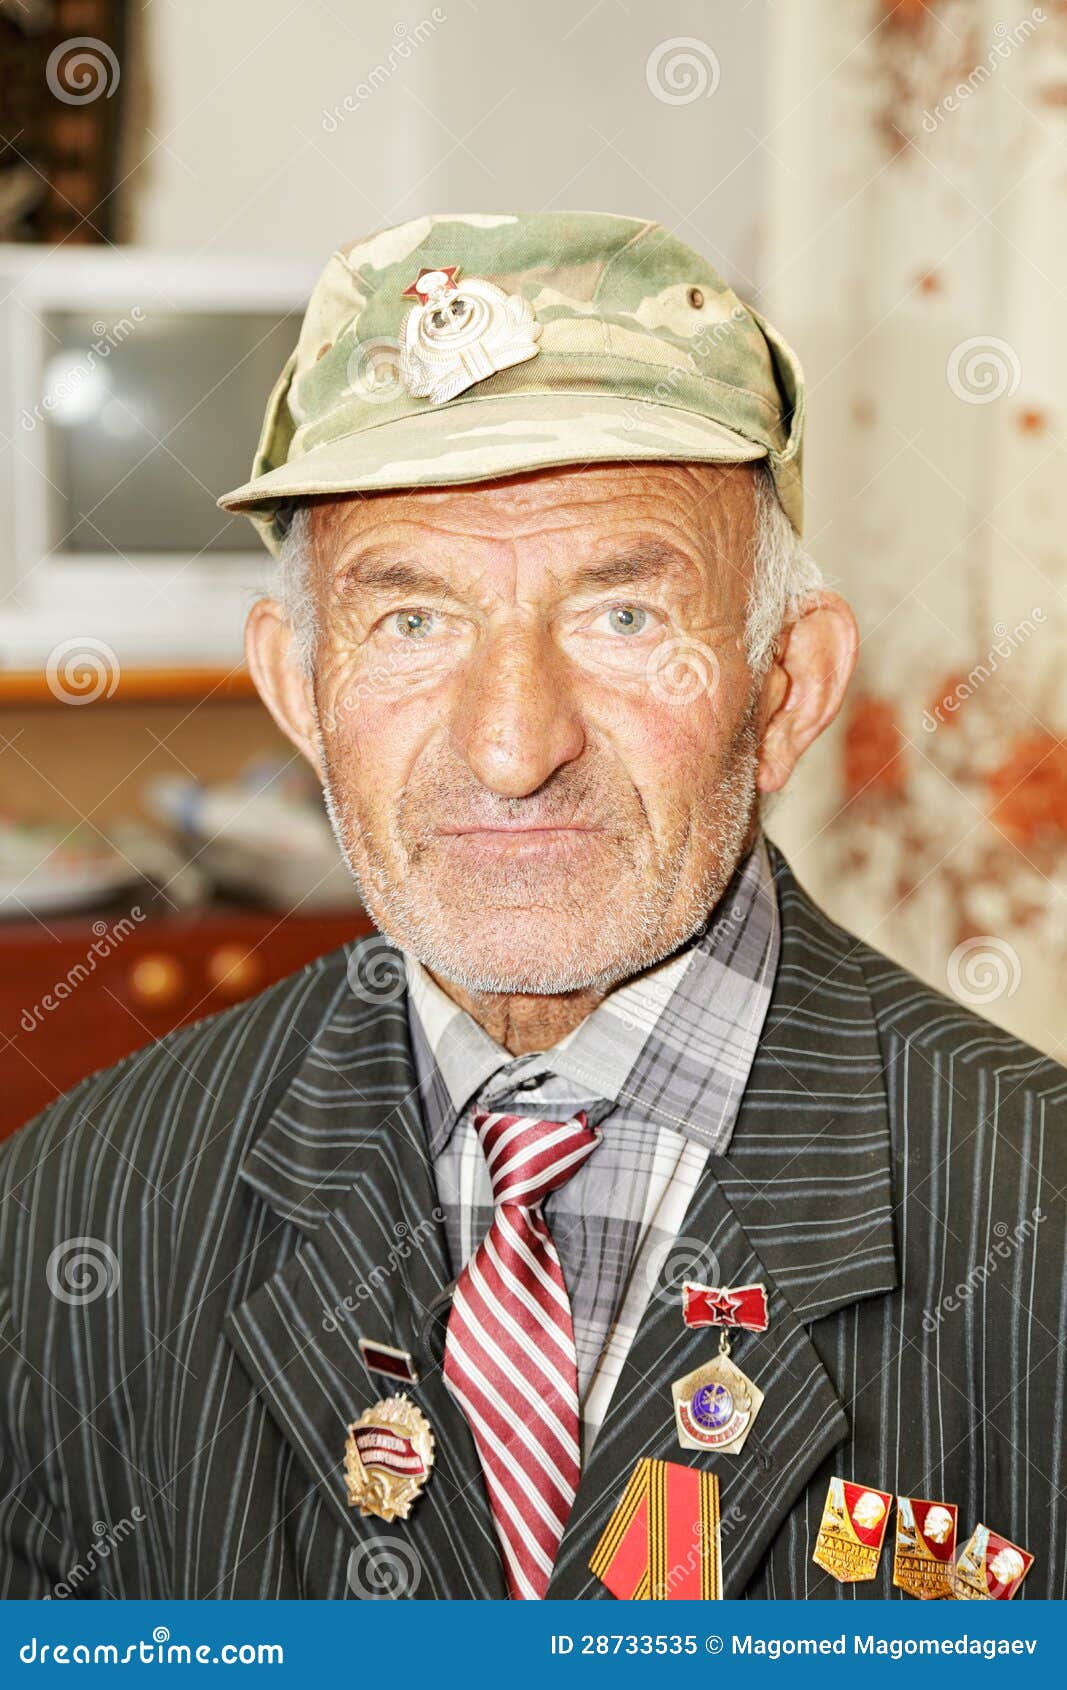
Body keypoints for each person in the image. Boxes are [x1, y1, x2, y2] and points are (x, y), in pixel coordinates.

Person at [0, 213, 1062, 1602]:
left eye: (622, 617)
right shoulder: (72, 1215)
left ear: (785, 688)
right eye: (412, 622)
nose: (511, 746)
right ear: (298, 695)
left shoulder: (1033, 1222)